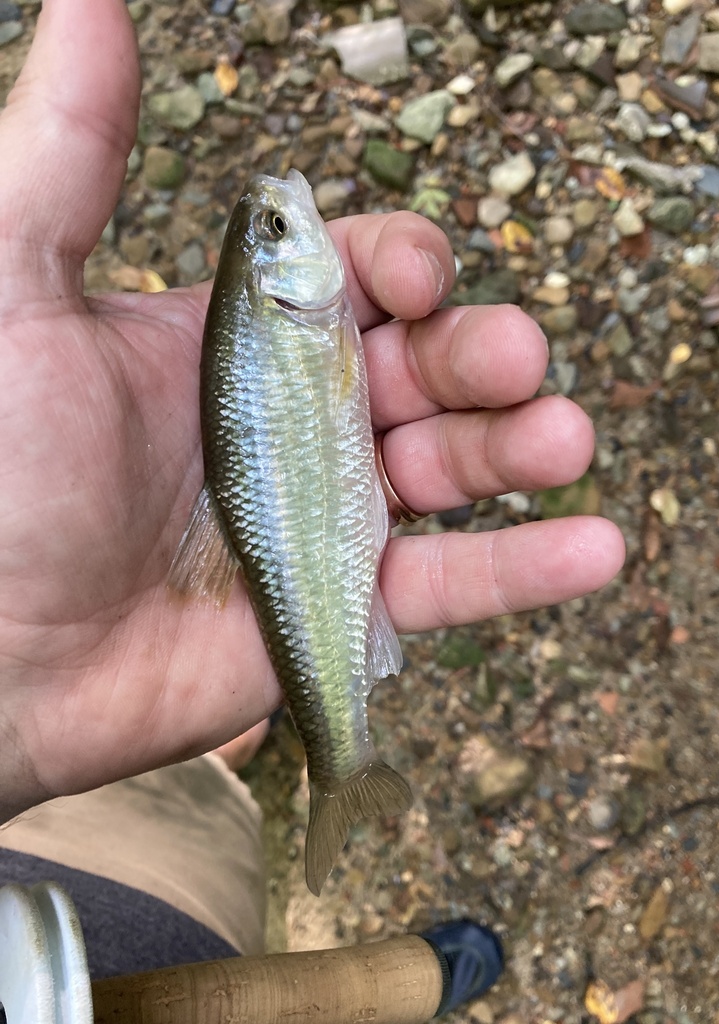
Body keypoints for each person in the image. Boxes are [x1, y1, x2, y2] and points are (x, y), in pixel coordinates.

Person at [0, 0, 625, 983]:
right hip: (110, 924)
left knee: (188, 864)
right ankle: (271, 766)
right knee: (197, 879)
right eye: (280, 228)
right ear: (284, 280)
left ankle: (219, 767)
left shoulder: (297, 322)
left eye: (276, 222)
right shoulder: (295, 319)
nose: (292, 210)